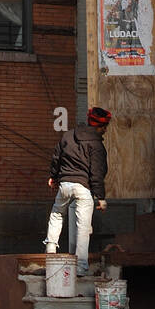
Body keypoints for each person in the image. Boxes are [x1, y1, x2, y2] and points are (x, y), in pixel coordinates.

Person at [44, 106, 111, 276]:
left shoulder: (68, 135)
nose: (104, 131)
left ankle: (51, 251)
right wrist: (101, 198)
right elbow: (97, 173)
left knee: (57, 214)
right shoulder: (96, 145)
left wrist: (54, 177)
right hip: (82, 188)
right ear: (99, 127)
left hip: (65, 185)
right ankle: (81, 266)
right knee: (83, 227)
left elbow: (56, 157)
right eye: (104, 127)